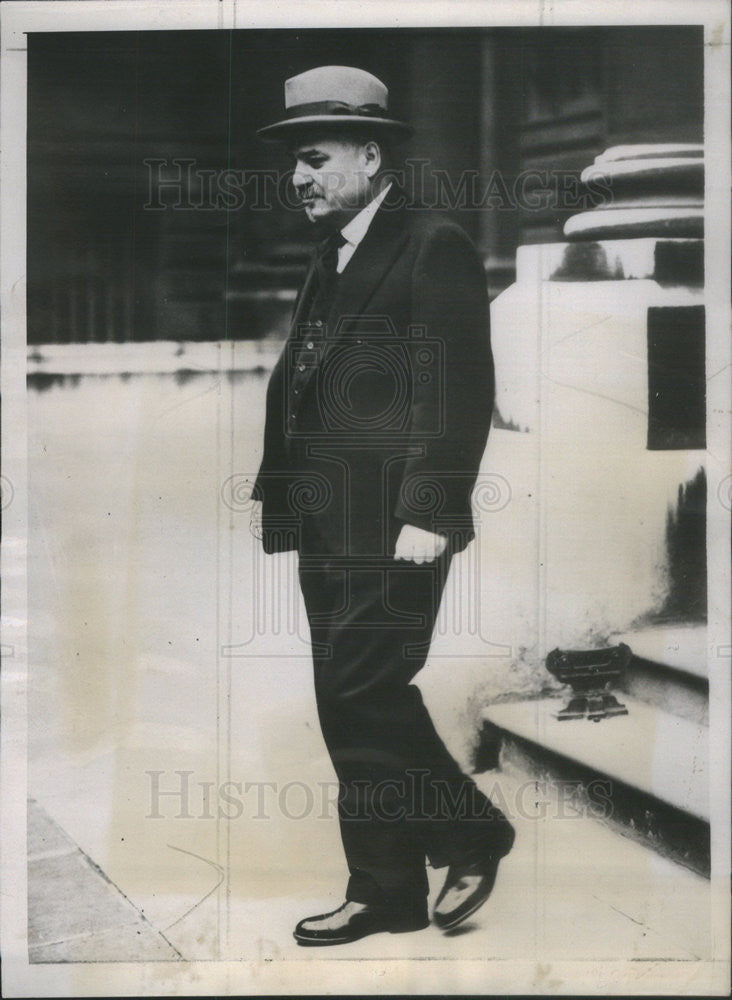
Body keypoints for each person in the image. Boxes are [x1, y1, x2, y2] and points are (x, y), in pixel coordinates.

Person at [252, 65, 514, 946]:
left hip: (397, 526)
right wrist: (284, 501)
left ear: (371, 154)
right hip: (331, 524)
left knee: (368, 689)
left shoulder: (431, 243)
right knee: (344, 699)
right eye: (292, 162)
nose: (298, 178)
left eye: (314, 158)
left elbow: (460, 388)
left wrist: (432, 512)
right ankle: (384, 892)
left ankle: (472, 832)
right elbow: (303, 388)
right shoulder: (334, 255)